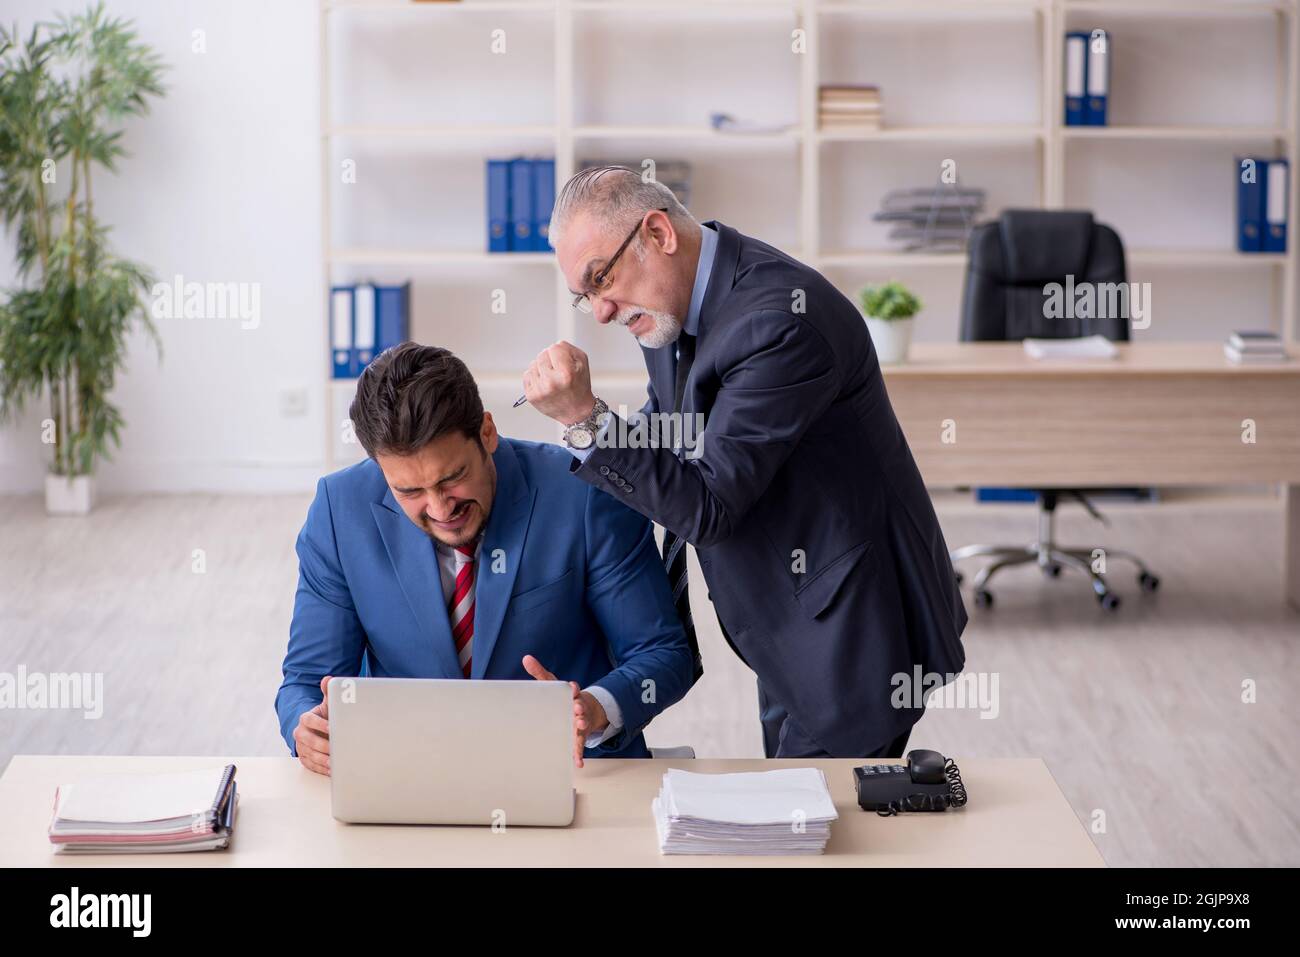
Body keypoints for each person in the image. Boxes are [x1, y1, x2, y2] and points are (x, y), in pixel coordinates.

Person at [523, 166, 968, 758]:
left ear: (658, 234)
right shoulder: (671, 308)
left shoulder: (779, 322)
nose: (599, 312)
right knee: (802, 823)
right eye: (586, 296)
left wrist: (587, 421)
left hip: (854, 636)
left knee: (816, 836)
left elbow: (707, 507)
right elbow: (668, 434)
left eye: (600, 278)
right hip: (785, 618)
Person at [276, 342, 695, 774]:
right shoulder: (339, 509)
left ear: (487, 433)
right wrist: (304, 729)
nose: (440, 509)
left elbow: (663, 655)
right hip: (409, 775)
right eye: (410, 491)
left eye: (453, 478)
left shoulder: (586, 492)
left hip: (567, 771)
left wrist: (596, 707)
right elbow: (305, 683)